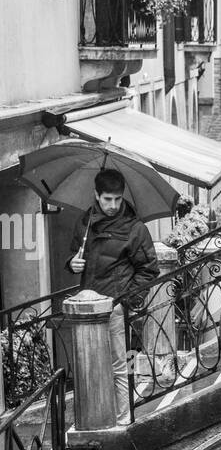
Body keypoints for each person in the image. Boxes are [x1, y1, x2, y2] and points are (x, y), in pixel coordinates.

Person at [67, 169, 159, 426]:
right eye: (107, 199)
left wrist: (126, 301)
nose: (113, 205)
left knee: (120, 367)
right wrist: (72, 262)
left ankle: (122, 422)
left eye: (117, 199)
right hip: (88, 308)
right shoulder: (85, 222)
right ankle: (96, 419)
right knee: (91, 367)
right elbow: (76, 253)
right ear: (96, 195)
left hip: (116, 307)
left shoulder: (134, 228)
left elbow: (149, 270)